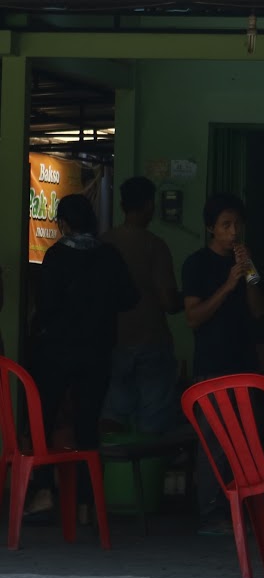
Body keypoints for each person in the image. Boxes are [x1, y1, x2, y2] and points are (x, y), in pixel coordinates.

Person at [28, 194, 139, 518]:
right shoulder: (110, 256)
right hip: (97, 353)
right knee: (88, 426)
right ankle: (86, 502)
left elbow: (46, 307)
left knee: (44, 421)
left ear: (63, 223)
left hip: (57, 353)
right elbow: (130, 298)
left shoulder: (57, 256)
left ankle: (45, 489)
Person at [182, 193, 264, 533]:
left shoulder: (245, 263)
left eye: (237, 225)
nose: (233, 232)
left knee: (247, 438)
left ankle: (241, 506)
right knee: (213, 442)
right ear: (210, 228)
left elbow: (259, 310)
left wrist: (248, 275)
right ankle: (210, 512)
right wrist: (228, 284)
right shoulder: (197, 264)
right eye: (225, 225)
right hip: (212, 365)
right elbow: (193, 317)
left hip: (244, 363)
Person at [101, 176, 183, 434]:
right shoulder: (154, 245)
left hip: (112, 340)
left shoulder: (104, 243)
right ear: (149, 205)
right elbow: (169, 302)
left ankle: (113, 471)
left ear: (123, 205)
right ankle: (145, 473)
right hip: (151, 340)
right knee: (153, 419)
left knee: (113, 414)